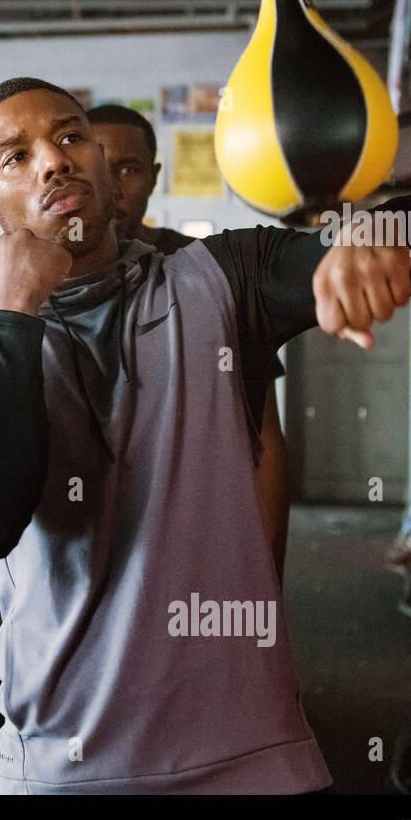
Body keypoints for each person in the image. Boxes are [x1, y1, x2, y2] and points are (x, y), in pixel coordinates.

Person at [0, 77, 411, 794]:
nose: (53, 160)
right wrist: (15, 314)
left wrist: (369, 231)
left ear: (109, 170)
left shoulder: (227, 278)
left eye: (70, 136)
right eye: (16, 157)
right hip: (63, 766)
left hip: (256, 757)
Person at [88, 103, 289, 577]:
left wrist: (267, 576)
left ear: (154, 177)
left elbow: (265, 438)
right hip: (89, 545)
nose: (113, 187)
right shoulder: (41, 287)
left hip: (201, 534)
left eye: (129, 169)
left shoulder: (208, 271)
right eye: (97, 167)